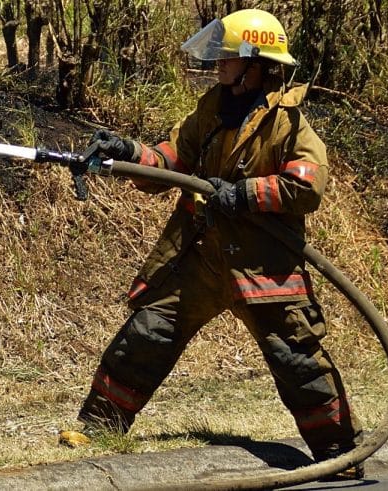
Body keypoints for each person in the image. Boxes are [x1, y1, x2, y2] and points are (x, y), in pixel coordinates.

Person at [61, 8, 364, 479]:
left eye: (228, 57)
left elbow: (307, 186)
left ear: (257, 64)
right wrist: (127, 152)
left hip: (263, 266)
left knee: (296, 359)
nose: (218, 64)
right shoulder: (213, 108)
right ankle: (100, 427)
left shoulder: (288, 124)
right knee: (147, 333)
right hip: (200, 256)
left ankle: (340, 454)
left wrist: (245, 194)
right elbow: (172, 160)